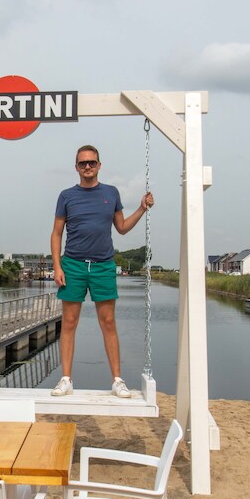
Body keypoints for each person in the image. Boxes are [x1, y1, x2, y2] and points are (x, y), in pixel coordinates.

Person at [50, 145, 154, 398]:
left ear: (99, 165)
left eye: (92, 162)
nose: (87, 166)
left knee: (108, 322)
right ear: (76, 167)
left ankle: (117, 380)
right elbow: (56, 233)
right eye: (83, 163)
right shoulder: (66, 196)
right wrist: (57, 266)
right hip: (73, 264)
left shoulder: (111, 192)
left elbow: (122, 227)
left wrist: (142, 208)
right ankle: (66, 379)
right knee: (69, 322)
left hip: (103, 265)